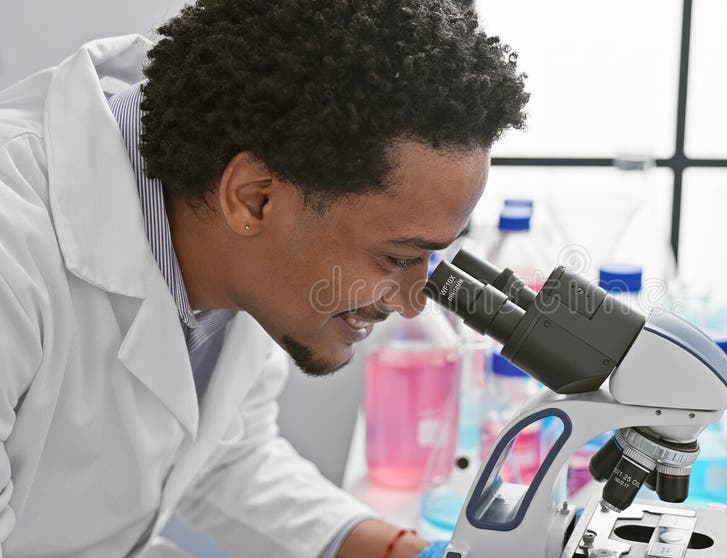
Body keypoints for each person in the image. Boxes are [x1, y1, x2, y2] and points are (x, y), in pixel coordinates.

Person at [0, 0, 527, 556]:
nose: (413, 302)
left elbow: (223, 452)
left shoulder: (229, 224)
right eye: (396, 258)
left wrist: (401, 551)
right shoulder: (15, 254)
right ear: (255, 197)